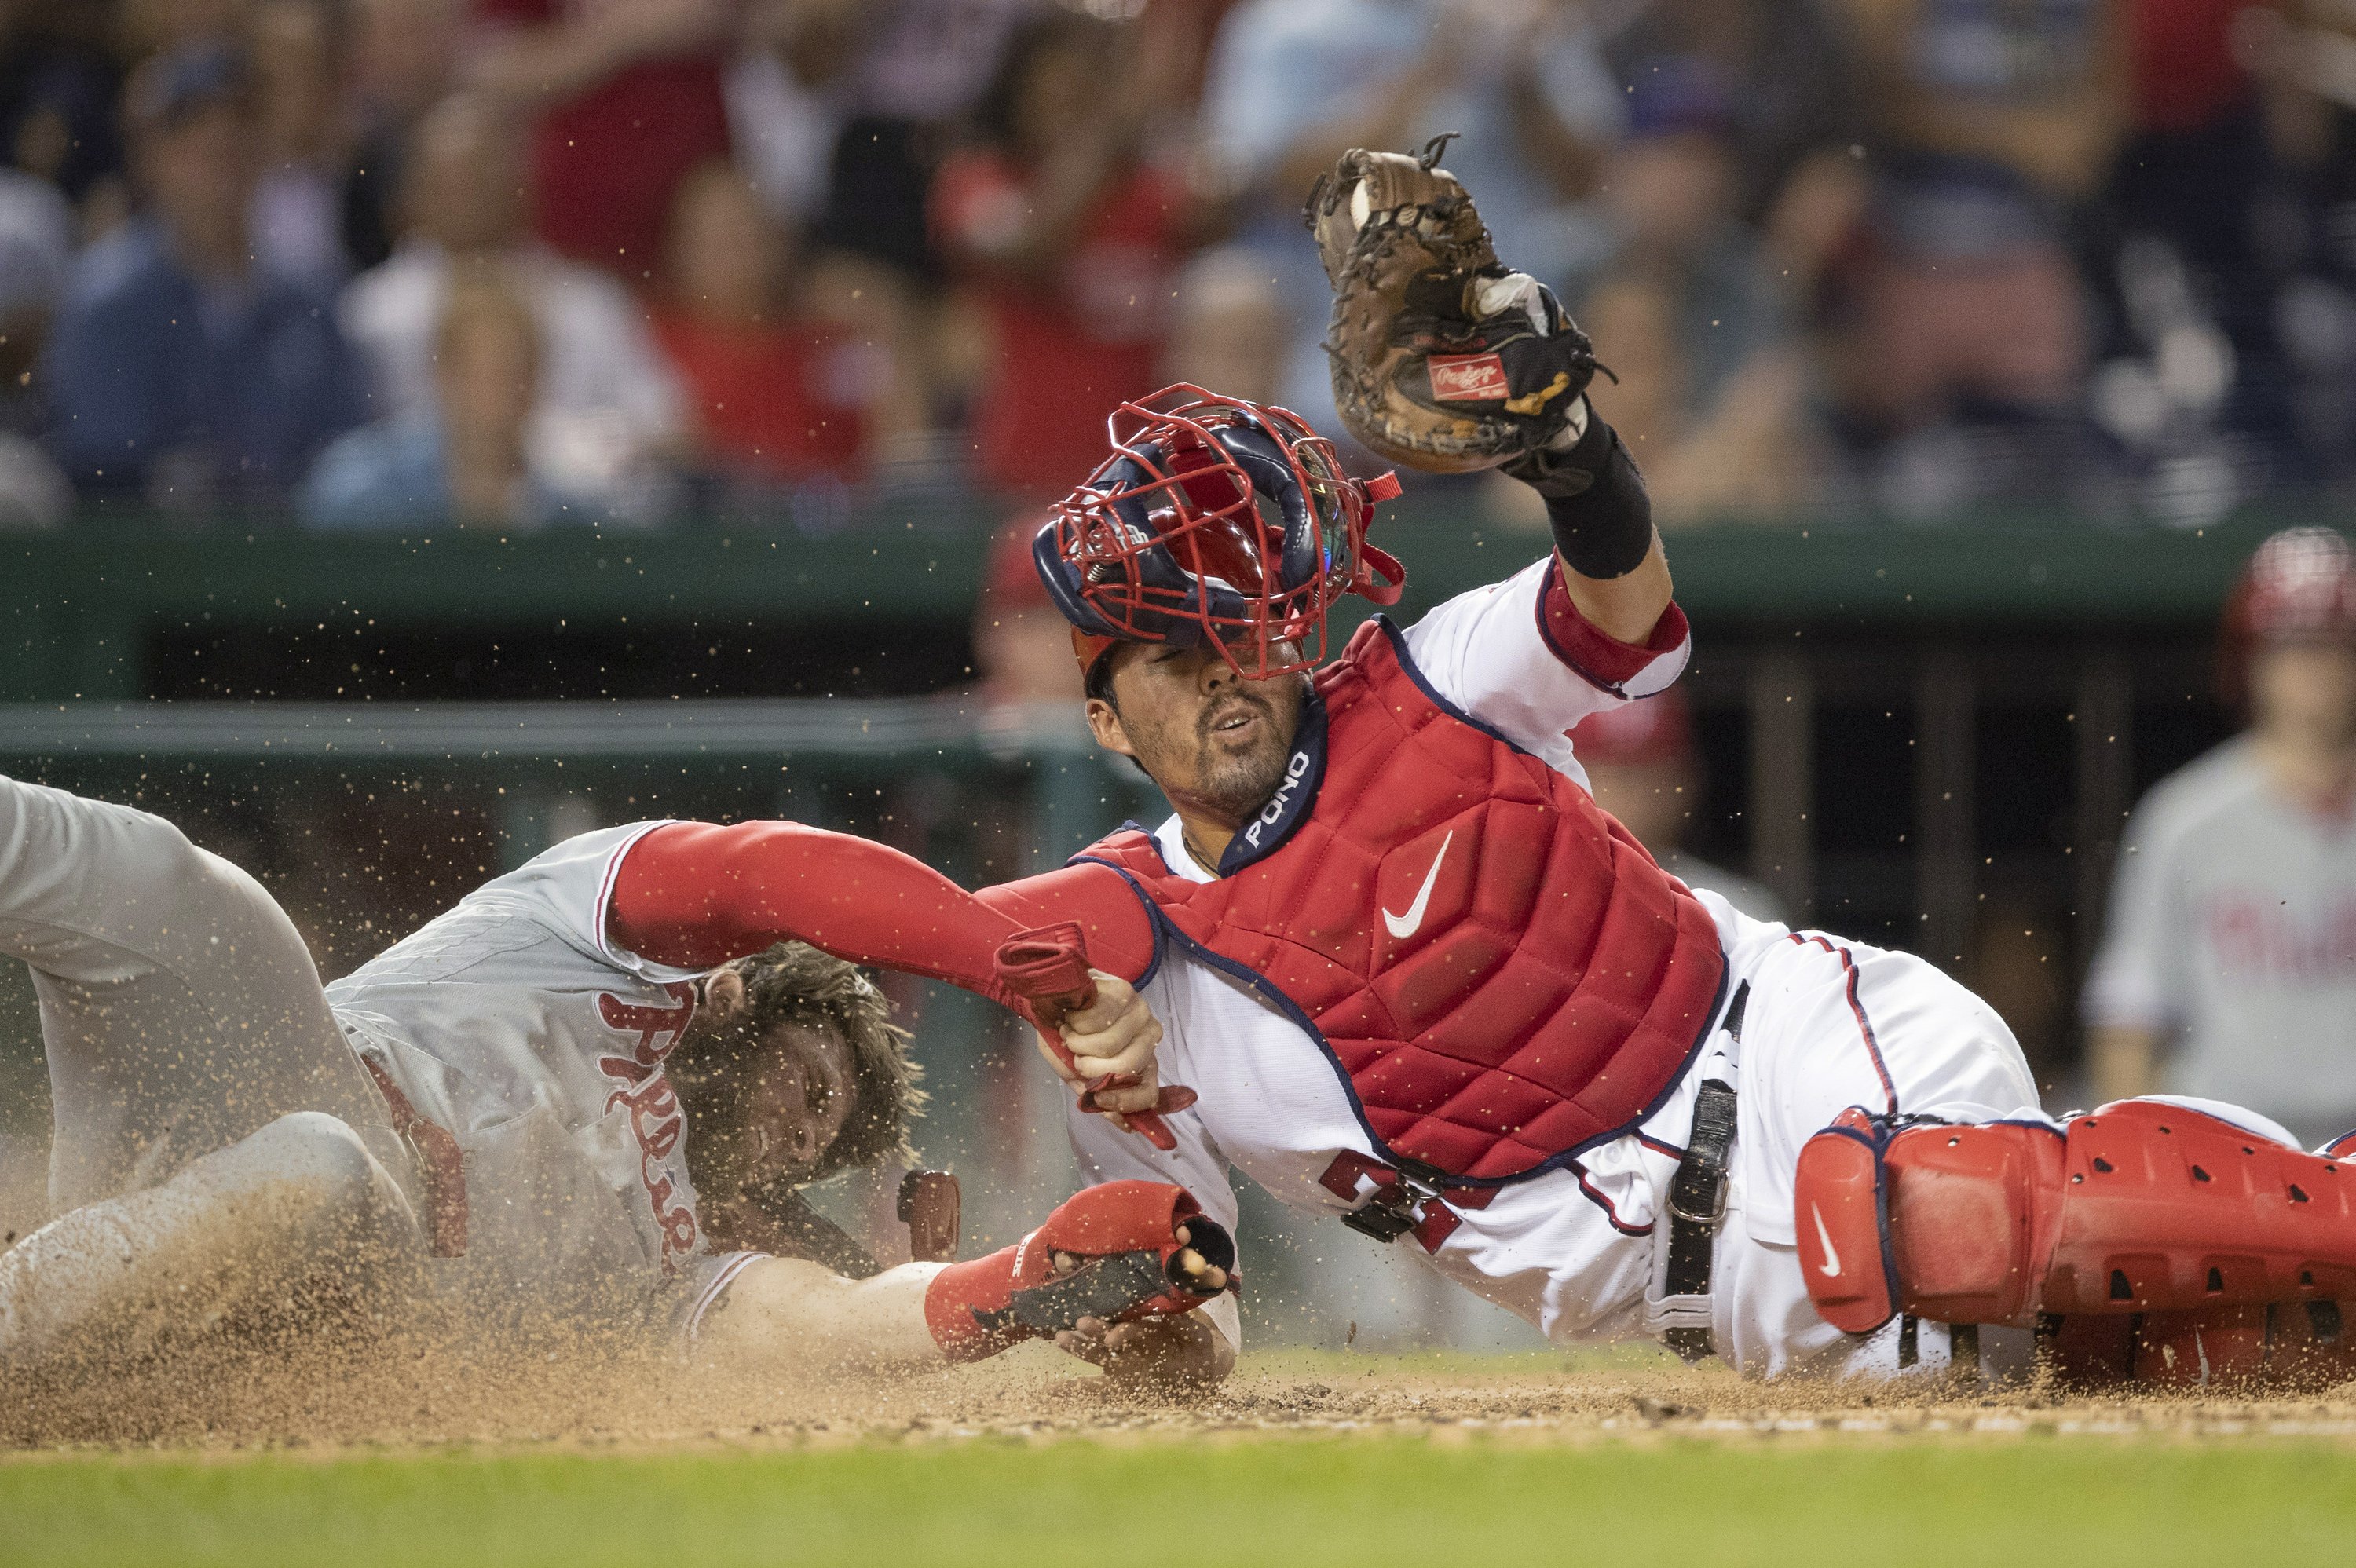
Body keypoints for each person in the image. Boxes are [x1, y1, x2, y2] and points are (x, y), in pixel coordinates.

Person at [934, 381, 2356, 1391]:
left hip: (1791, 1041)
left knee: (1935, 1208)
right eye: (1171, 659)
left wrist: (1572, 451)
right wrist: (1104, 1287)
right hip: (1722, 1301)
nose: (1220, 672)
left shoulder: (1428, 676)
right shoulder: (1127, 991)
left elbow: (1622, 607)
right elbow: (1193, 1338)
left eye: (1236, 630)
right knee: (2136, 1346)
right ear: (1107, 726)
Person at [0, 776, 1224, 1388]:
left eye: (825, 1140)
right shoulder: (593, 936)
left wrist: (1024, 1283)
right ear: (739, 995)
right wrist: (1018, 975)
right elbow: (767, 872)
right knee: (169, 885)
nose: (804, 1136)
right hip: (257, 1084)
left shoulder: (684, 1264)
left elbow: (824, 1317)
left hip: (321, 1313)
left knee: (320, 1171)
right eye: (810, 1085)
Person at [2083, 527, 2356, 1150]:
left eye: (2335, 644)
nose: (2316, 668)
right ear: (2251, 662)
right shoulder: (2186, 817)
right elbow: (2129, 1018)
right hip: (2232, 1149)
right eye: (2292, 645)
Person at [44, 43, 366, 507]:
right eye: (194, 143)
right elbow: (104, 480)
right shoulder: (108, 300)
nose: (220, 154)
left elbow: (344, 462)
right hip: (155, 569)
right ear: (150, 159)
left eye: (238, 134)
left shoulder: (311, 297)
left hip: (294, 567)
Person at [338, 93, 688, 514]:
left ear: (521, 183)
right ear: (412, 196)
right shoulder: (370, 314)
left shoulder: (590, 303)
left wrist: (575, 452)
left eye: (483, 175)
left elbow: (672, 430)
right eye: (452, 181)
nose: (470, 195)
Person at [930, 9, 1198, 498]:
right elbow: (1024, 249)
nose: (1071, 113)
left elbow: (1222, 207)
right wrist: (1104, 137)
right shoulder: (979, 179)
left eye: (1087, 93)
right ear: (1017, 96)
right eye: (1055, 94)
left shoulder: (1151, 190)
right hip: (1023, 476)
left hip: (1150, 479)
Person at [1564, 689, 1786, 923]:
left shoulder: (1736, 914)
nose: (1625, 797)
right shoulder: (1534, 899)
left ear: (1685, 780)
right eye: (1601, 773)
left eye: (1644, 774)